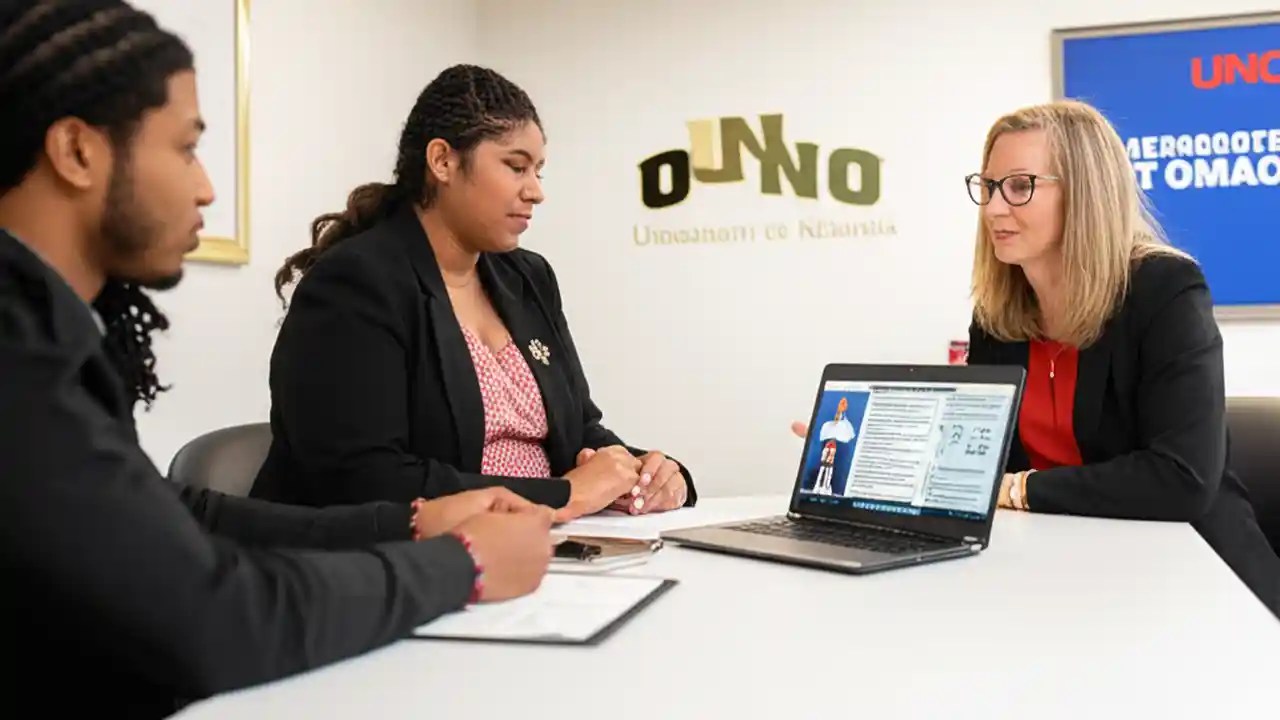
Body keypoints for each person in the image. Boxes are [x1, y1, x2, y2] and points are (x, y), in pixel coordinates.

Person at [0, 3, 554, 717]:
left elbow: (177, 512)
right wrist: (466, 564)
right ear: (77, 150)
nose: (205, 188)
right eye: (186, 149)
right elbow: (210, 620)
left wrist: (413, 522)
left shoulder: (49, 337)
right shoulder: (17, 360)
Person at [793, 100, 1280, 618]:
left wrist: (1019, 489)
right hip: (1063, 577)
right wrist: (877, 453)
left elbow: (1181, 480)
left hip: (1199, 580)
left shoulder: (1165, 290)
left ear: (1086, 194)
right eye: (988, 186)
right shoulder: (997, 315)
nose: (994, 209)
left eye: (1020, 186)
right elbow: (977, 463)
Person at [251, 64, 697, 521]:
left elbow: (578, 430)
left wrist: (649, 474)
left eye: (539, 170)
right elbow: (366, 480)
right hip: (392, 565)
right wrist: (562, 497)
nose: (536, 191)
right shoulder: (354, 284)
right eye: (516, 166)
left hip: (543, 548)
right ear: (443, 161)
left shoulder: (528, 277)